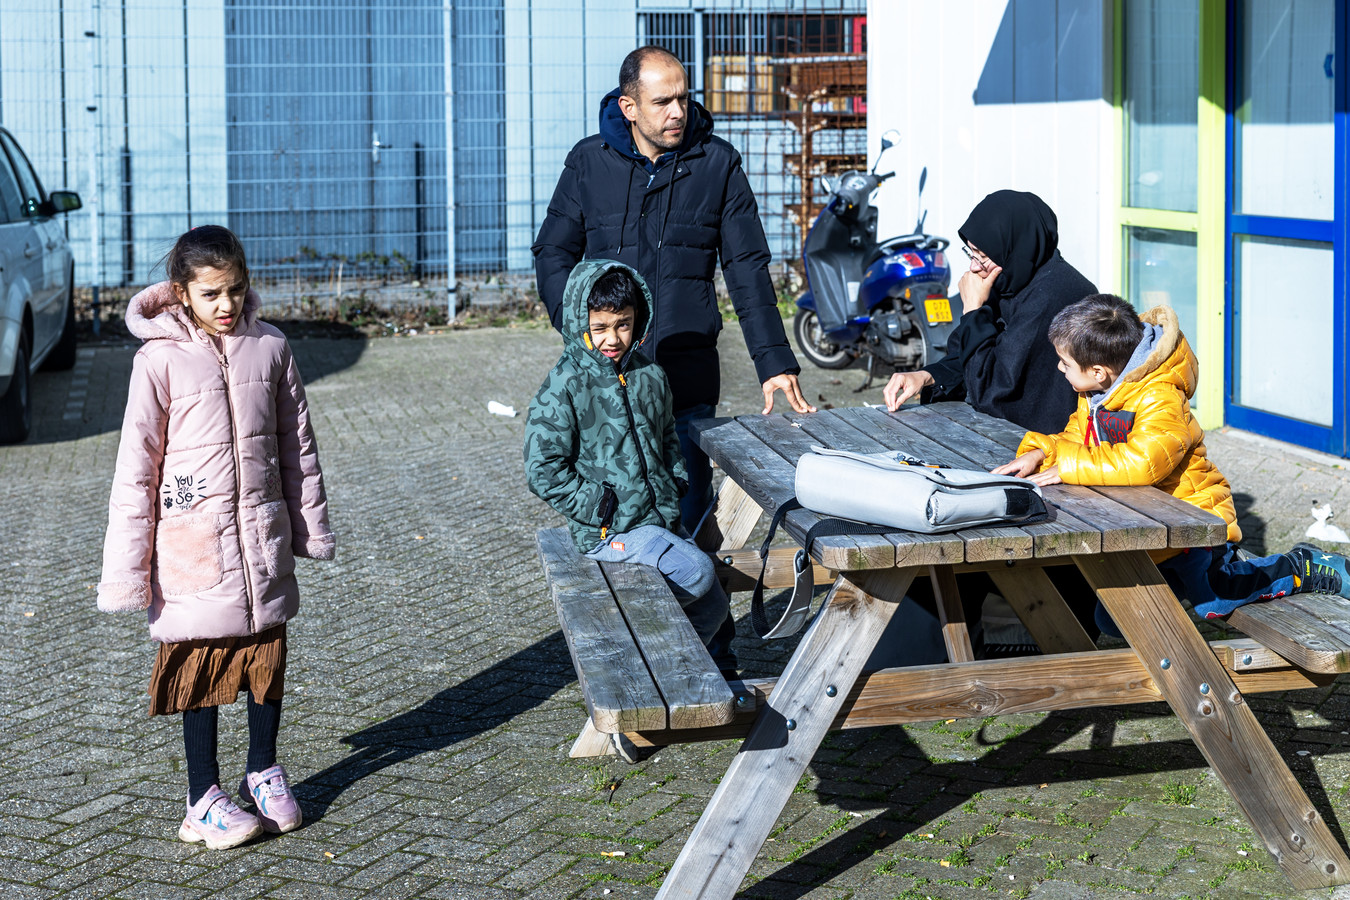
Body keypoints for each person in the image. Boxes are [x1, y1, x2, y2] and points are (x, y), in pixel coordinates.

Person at [97, 225, 334, 850]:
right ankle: (201, 797)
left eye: (234, 290)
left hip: (259, 538)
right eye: (210, 295)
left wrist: (307, 528)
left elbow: (297, 448)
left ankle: (263, 769)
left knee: (264, 656)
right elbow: (136, 468)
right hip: (193, 543)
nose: (226, 305)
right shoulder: (157, 360)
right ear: (181, 293)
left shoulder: (271, 348)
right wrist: (128, 569)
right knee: (198, 664)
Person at [533, 45, 813, 534]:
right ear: (630, 107)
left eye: (683, 98)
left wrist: (774, 363)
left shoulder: (716, 164)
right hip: (608, 378)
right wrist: (582, 331)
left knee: (689, 511)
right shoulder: (588, 163)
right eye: (663, 102)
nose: (678, 112)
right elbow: (552, 253)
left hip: (687, 371)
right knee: (618, 519)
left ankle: (701, 605)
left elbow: (746, 265)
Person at [993, 294, 1350, 633]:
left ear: (1099, 370)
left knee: (1216, 598)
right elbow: (1076, 439)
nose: (1059, 368)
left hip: (1193, 518)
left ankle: (1303, 566)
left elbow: (1145, 462)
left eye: (1065, 363)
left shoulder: (1159, 394)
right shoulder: (1097, 393)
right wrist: (1042, 452)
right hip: (1145, 522)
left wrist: (1070, 465)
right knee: (1112, 619)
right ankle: (1197, 585)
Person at [524, 260, 735, 704]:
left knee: (716, 604)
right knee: (696, 572)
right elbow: (542, 469)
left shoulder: (650, 375)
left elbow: (666, 438)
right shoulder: (564, 386)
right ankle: (638, 680)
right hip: (608, 531)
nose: (612, 339)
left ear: (638, 319)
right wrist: (600, 506)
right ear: (580, 322)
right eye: (599, 327)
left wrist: (674, 480)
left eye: (623, 325)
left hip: (657, 519)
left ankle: (663, 678)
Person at [884, 190, 1095, 434]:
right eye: (971, 253)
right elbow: (969, 356)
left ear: (1017, 248)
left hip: (1039, 445)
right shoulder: (1013, 278)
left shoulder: (1054, 296)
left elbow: (993, 389)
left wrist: (973, 310)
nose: (974, 267)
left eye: (983, 256)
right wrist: (926, 376)